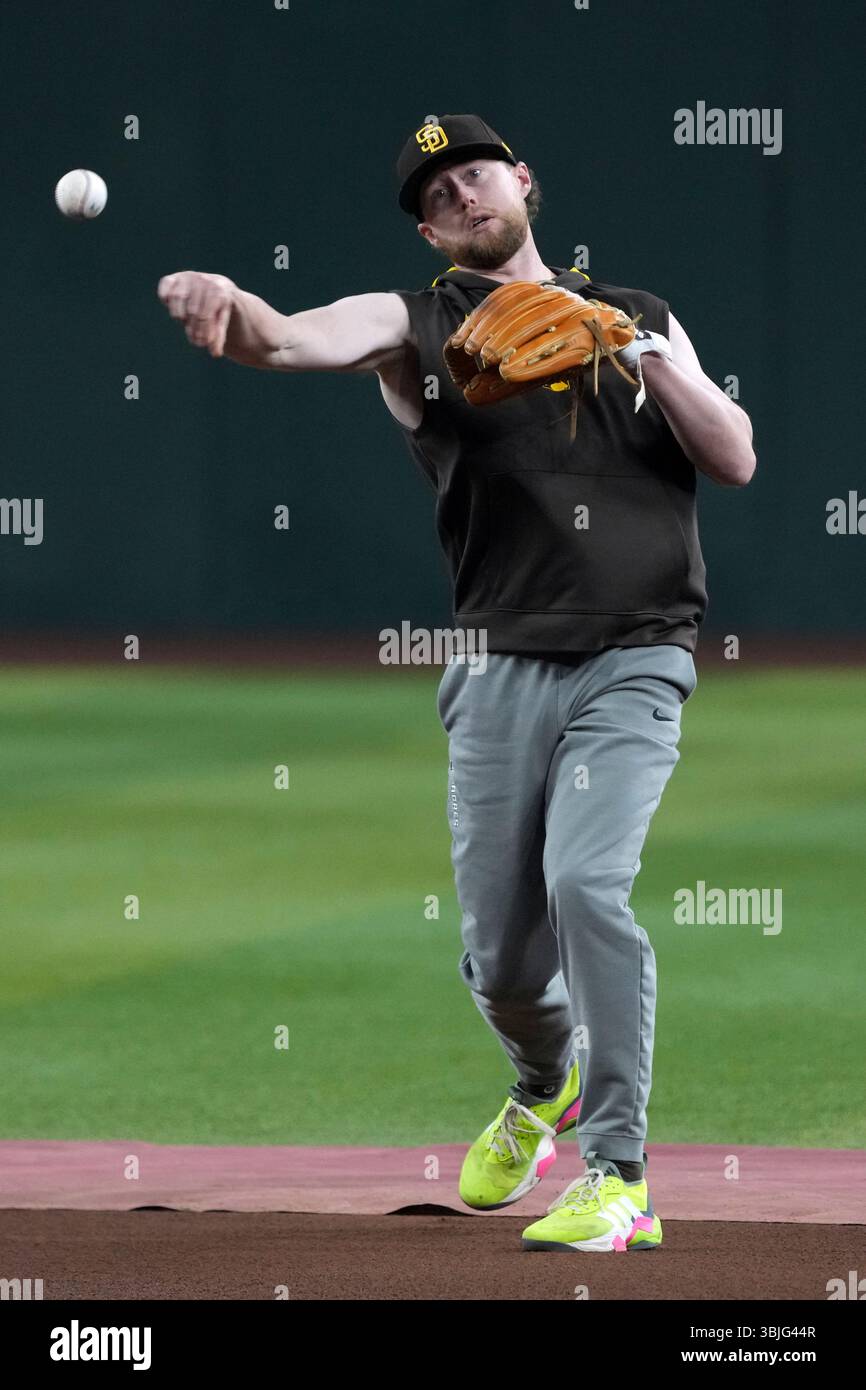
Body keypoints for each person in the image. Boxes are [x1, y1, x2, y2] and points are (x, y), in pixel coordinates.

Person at [157, 112, 755, 1254]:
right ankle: (544, 1084)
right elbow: (292, 339)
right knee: (501, 960)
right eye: (436, 193)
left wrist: (639, 356)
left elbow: (730, 454)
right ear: (429, 231)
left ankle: (618, 1178)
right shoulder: (416, 325)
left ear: (524, 180)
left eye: (476, 171)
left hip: (636, 652)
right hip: (493, 667)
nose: (461, 194)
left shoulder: (644, 315)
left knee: (587, 885)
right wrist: (230, 309)